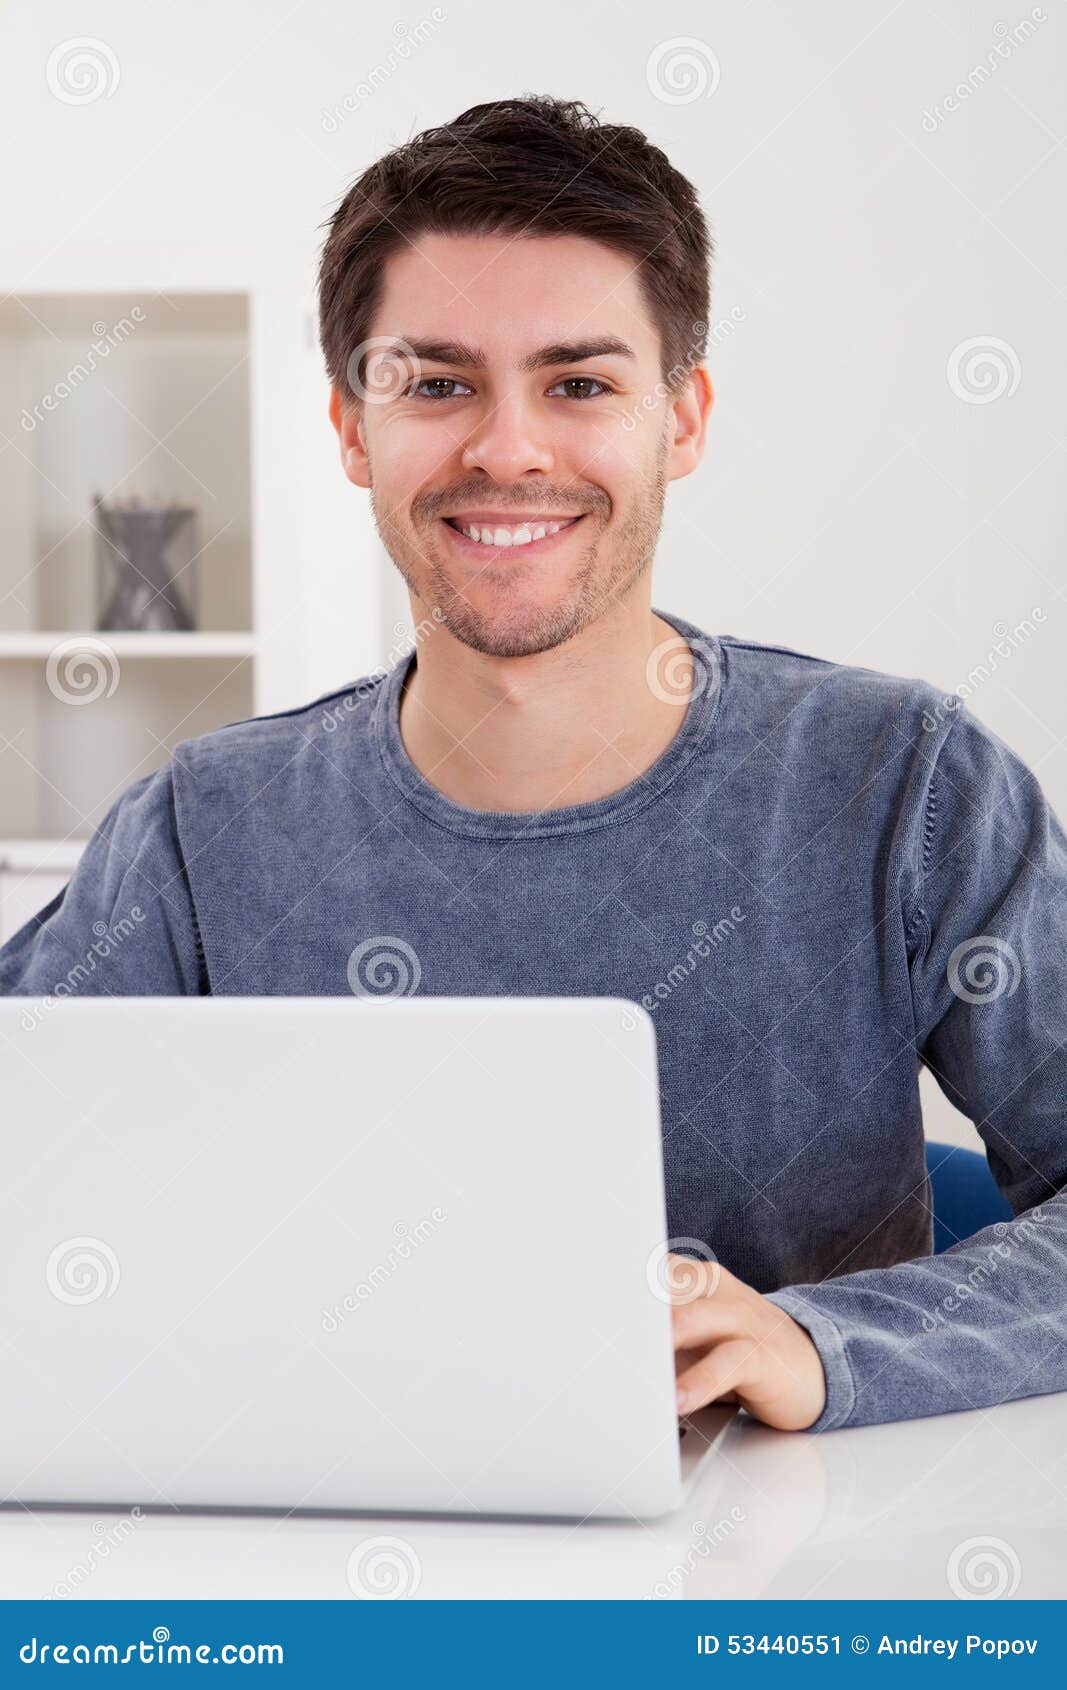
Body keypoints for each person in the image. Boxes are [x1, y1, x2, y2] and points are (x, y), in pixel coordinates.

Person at [3, 96, 1064, 1437]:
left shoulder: (903, 784)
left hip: (793, 1578)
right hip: (329, 1561)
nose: (507, 448)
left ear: (682, 421)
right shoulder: (202, 830)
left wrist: (824, 1339)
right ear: (350, 427)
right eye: (436, 383)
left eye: (580, 382)